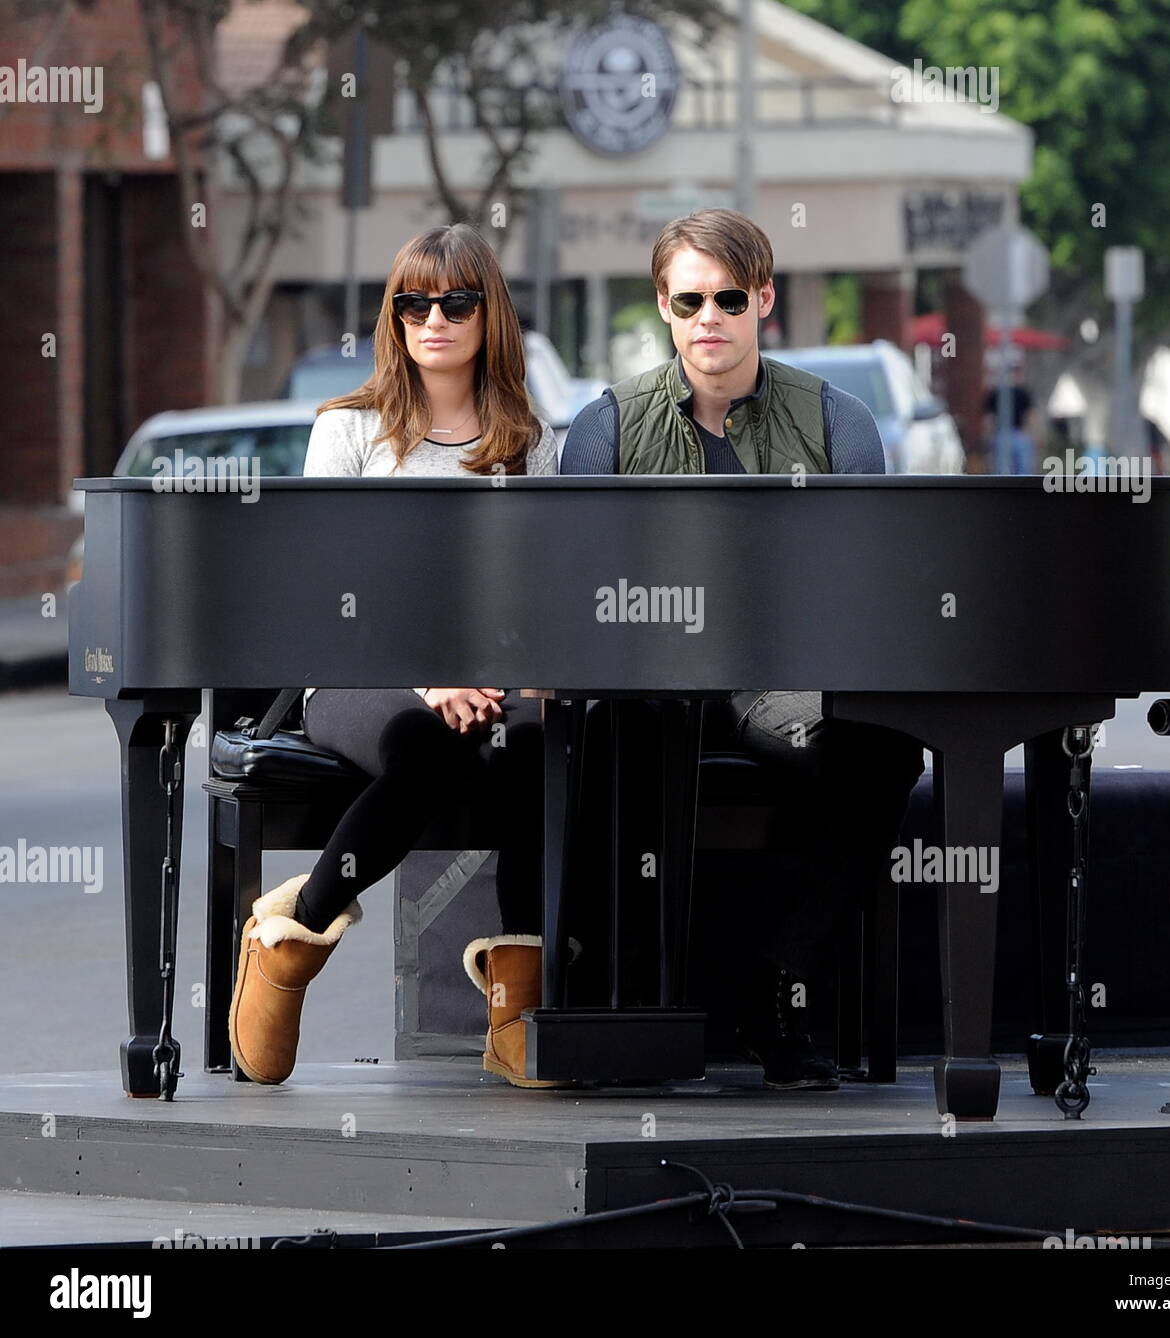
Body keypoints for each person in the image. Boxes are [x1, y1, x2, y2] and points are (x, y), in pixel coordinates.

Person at [561, 208, 926, 1090]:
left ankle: (783, 989)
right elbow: (572, 585)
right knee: (622, 736)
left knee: (883, 745)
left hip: (779, 679)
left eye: (728, 297)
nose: (708, 319)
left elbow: (862, 579)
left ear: (763, 297)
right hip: (648, 678)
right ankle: (621, 1004)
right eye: (689, 302)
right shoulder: (607, 425)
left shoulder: (839, 419)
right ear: (663, 307)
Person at [227, 223, 564, 1092]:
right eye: (413, 303)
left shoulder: (530, 441)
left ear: (491, 315)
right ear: (395, 317)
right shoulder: (349, 432)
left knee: (537, 745)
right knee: (422, 742)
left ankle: (515, 1011)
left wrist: (523, 679)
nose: (434, 320)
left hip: (494, 678)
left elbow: (537, 588)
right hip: (358, 673)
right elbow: (331, 594)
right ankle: (290, 943)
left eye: (457, 302)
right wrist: (430, 679)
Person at [982, 359, 1038, 473]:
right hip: (1015, 434)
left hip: (1005, 434)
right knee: (1022, 469)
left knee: (1001, 470)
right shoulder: (1019, 392)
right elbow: (1031, 416)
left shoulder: (997, 392)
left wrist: (989, 436)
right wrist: (1031, 434)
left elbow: (988, 419)